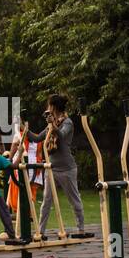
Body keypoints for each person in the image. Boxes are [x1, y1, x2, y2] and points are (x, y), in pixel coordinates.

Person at [24, 94, 85, 237]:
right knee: (46, 201)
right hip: (51, 168)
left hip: (67, 168)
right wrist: (24, 129)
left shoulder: (67, 122)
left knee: (74, 199)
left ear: (54, 107)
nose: (48, 108)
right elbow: (37, 138)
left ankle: (81, 229)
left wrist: (52, 125)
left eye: (50, 106)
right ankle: (41, 231)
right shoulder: (52, 124)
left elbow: (62, 135)